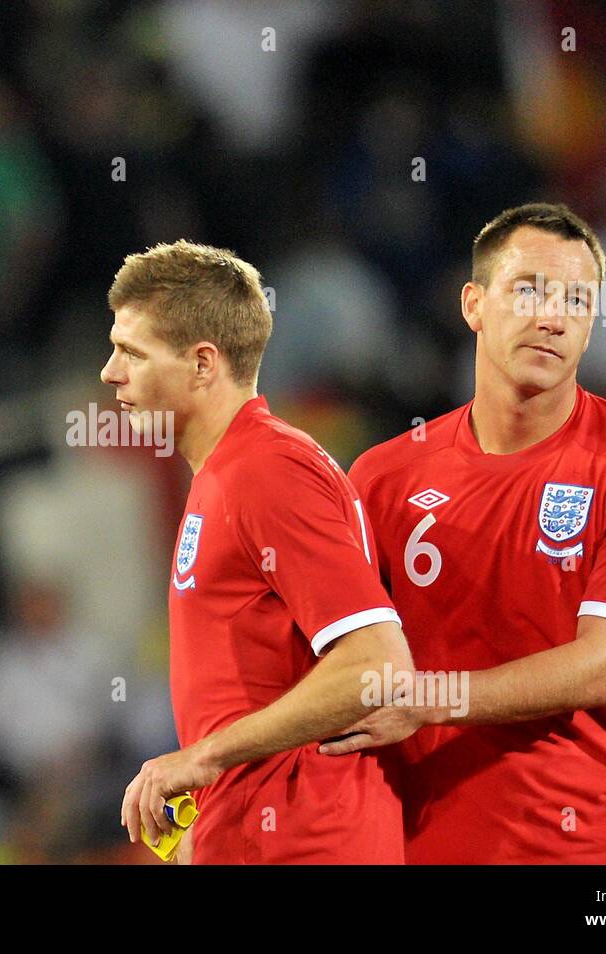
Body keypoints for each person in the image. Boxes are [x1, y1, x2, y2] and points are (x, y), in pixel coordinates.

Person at [323, 203, 606, 863]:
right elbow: (331, 664)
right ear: (473, 304)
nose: (552, 317)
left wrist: (427, 700)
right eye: (528, 290)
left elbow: (603, 667)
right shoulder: (382, 478)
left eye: (577, 302)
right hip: (438, 844)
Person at [105, 240, 414, 863]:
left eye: (131, 353)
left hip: (308, 841)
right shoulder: (227, 473)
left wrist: (201, 756)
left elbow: (377, 666)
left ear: (201, 364)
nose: (111, 373)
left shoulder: (268, 470)